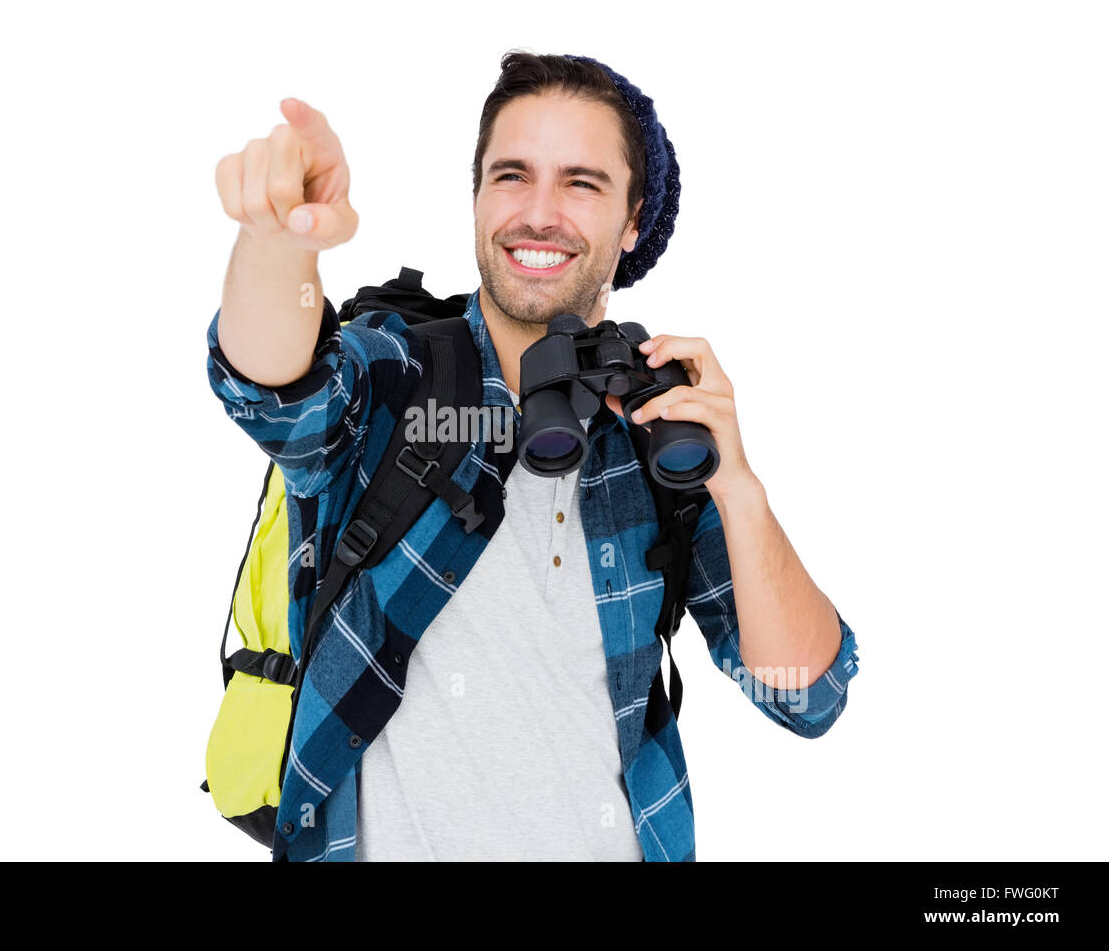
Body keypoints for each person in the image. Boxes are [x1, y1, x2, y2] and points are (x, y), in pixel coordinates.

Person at [205, 50, 861, 862]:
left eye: (581, 183)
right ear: (477, 196)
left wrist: (739, 489)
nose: (538, 213)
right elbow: (273, 388)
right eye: (511, 176)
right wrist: (278, 242)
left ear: (632, 219)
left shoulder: (657, 433)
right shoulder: (398, 375)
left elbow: (806, 698)